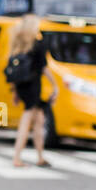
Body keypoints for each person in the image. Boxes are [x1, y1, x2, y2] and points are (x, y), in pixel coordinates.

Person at [9, 13, 57, 168]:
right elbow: (43, 68)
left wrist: (15, 91)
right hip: (33, 86)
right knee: (28, 120)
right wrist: (55, 85)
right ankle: (17, 157)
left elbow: (15, 70)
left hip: (22, 86)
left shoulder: (18, 43)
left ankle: (40, 156)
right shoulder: (38, 44)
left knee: (39, 121)